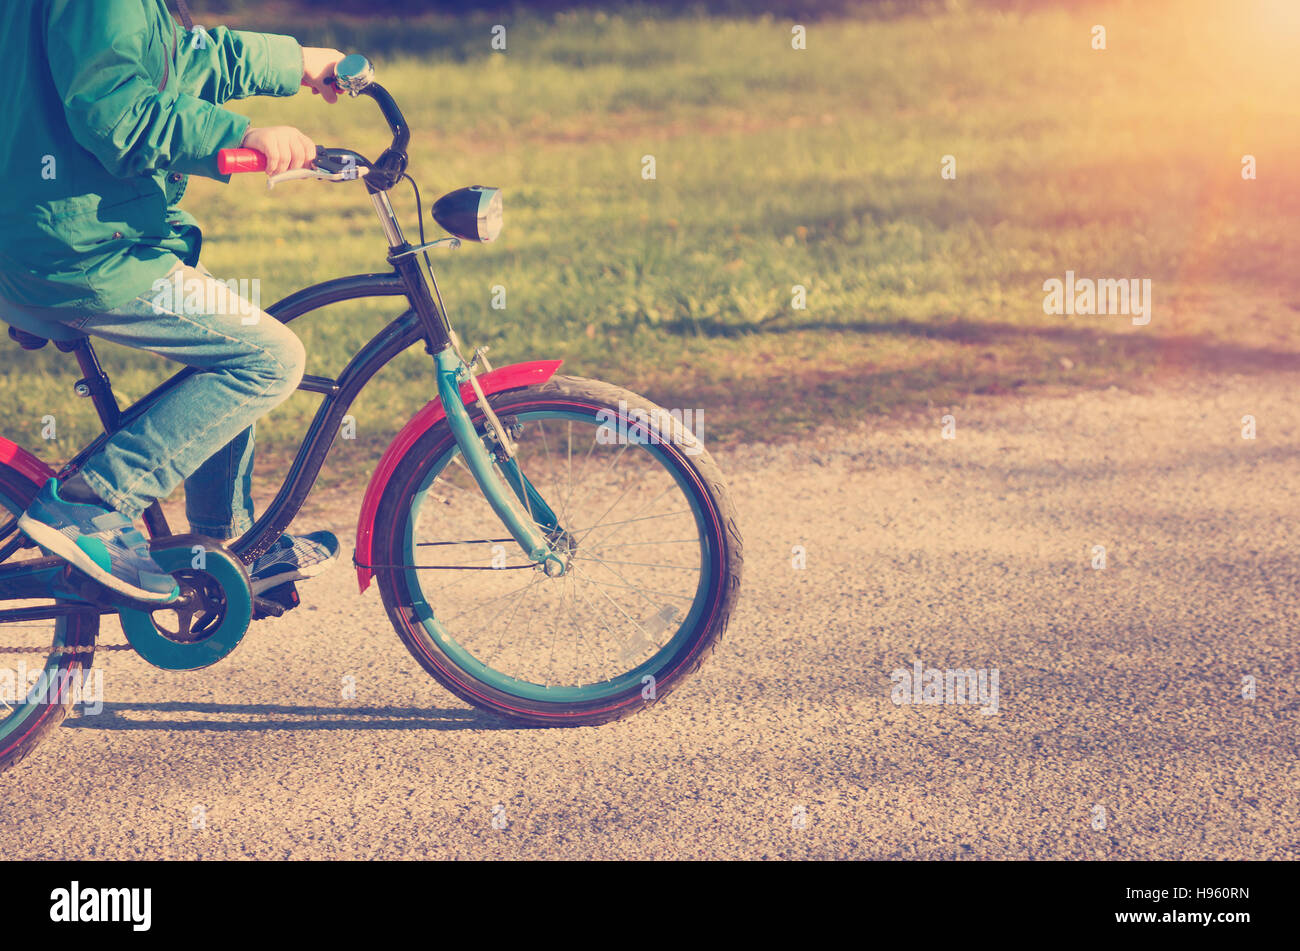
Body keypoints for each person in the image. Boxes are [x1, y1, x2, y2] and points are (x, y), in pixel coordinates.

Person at [0, 0, 347, 603]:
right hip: (75, 247)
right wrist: (239, 133)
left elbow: (175, 57)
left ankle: (223, 550)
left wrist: (295, 62)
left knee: (230, 335)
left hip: (82, 229)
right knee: (267, 358)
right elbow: (119, 111)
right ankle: (88, 505)